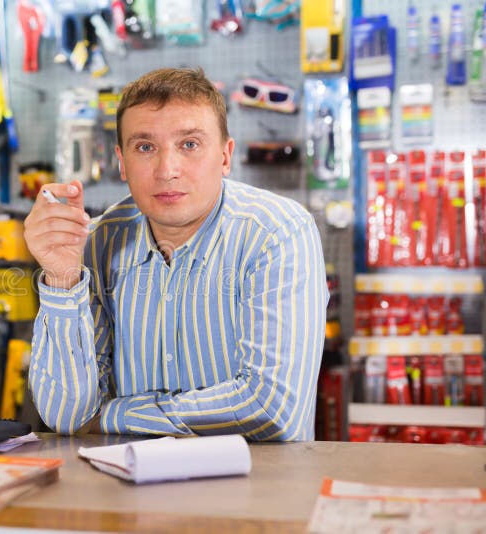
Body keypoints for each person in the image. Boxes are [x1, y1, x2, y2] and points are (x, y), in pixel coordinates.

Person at [23, 67, 328, 440]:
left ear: (225, 156)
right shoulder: (98, 242)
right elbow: (68, 415)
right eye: (145, 147)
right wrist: (61, 277)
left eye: (189, 144)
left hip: (257, 491)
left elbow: (270, 408)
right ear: (121, 161)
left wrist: (111, 415)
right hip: (129, 490)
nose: (167, 170)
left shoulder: (276, 234)